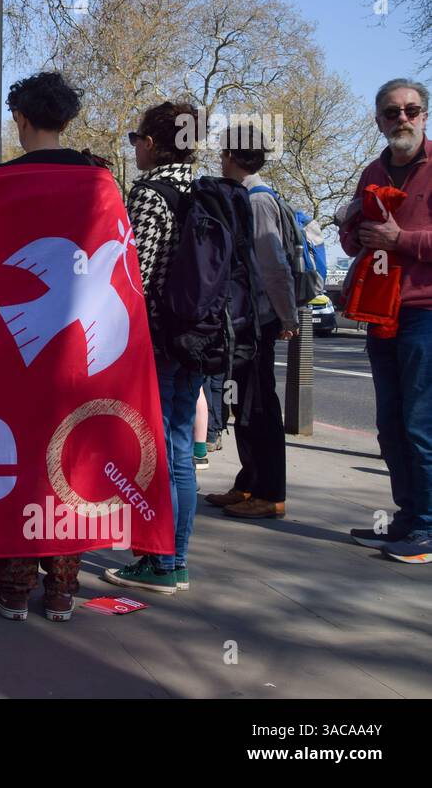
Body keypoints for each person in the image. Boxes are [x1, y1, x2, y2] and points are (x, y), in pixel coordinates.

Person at [0, 71, 104, 623]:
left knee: (22, 456)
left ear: (21, 118)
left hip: (17, 342)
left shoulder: (3, 181)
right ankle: (62, 590)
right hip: (81, 342)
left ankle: (13, 586)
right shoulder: (99, 181)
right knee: (70, 460)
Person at [103, 102, 205, 595]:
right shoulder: (204, 190)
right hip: (199, 337)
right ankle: (176, 560)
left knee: (161, 449)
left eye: (135, 139)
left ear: (149, 143)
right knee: (182, 449)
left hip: (161, 336)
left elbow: (133, 273)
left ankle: (160, 561)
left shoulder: (150, 193)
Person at [339, 78, 432, 563]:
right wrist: (350, 229)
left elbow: (399, 240)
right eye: (392, 112)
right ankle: (408, 519)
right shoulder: (373, 169)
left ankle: (429, 526)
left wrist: (402, 240)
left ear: (424, 115)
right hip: (380, 312)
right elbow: (356, 243)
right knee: (391, 425)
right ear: (378, 120)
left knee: (421, 423)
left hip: (424, 312)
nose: (403, 119)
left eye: (411, 110)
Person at [204, 124, 298, 520]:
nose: (220, 159)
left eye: (225, 152)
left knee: (260, 407)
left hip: (258, 322)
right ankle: (248, 483)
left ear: (235, 157)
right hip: (247, 320)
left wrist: (287, 315)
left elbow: (274, 266)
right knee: (243, 402)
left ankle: (271, 492)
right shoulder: (247, 196)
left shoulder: (258, 201)